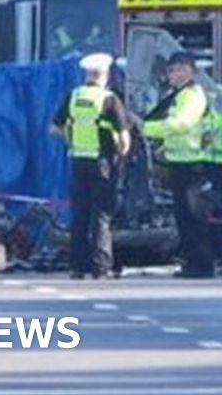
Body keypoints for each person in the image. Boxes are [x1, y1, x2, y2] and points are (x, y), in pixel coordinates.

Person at [51, 52, 131, 280]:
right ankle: (100, 266)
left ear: (87, 74)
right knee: (102, 216)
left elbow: (54, 128)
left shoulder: (73, 96)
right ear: (104, 75)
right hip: (103, 163)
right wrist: (120, 154)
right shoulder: (109, 99)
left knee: (80, 215)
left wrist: (73, 137)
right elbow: (125, 139)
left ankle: (77, 266)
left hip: (78, 162)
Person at [142, 51, 215, 278]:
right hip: (179, 163)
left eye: (172, 70)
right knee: (184, 217)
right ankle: (192, 262)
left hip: (191, 165)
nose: (168, 75)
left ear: (186, 69)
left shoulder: (192, 95)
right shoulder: (180, 95)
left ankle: (201, 265)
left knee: (194, 217)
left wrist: (146, 128)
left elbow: (180, 124)